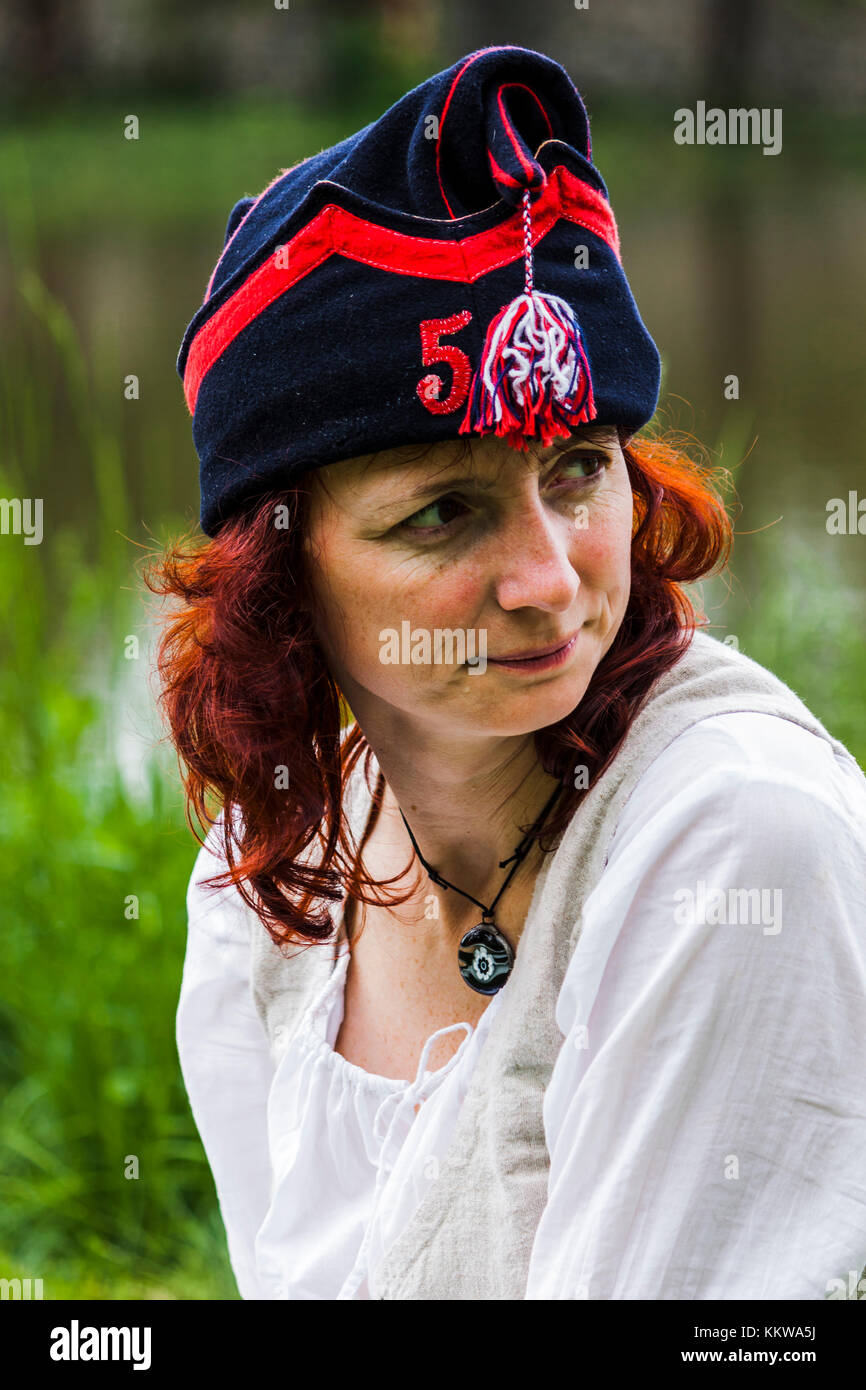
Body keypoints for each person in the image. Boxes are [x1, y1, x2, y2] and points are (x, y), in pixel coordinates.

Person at [148, 45, 866, 1300]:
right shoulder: (272, 878)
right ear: (282, 569)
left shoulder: (736, 845)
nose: (547, 579)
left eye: (578, 469)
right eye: (440, 512)